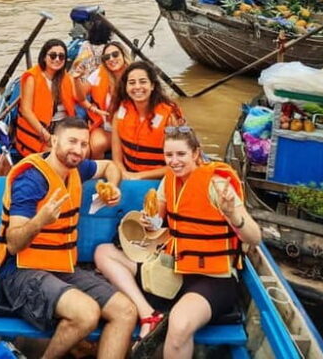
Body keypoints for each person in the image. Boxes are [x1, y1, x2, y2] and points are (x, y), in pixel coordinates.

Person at [94, 127, 261, 359]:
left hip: (212, 280)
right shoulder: (168, 181)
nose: (174, 161)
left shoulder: (217, 185)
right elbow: (156, 224)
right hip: (173, 269)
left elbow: (255, 237)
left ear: (196, 154)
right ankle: (149, 315)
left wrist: (234, 215)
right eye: (169, 155)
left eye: (181, 154)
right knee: (104, 253)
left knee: (180, 326)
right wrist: (149, 222)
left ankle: (166, 324)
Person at [0, 116, 137, 359]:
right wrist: (40, 220)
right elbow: (14, 242)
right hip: (20, 272)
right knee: (87, 313)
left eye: (84, 144)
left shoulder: (76, 168)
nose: (79, 150)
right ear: (53, 140)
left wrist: (113, 185)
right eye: (72, 141)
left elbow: (108, 166)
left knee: (125, 311)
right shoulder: (31, 181)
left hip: (60, 266)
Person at [111, 62, 183, 180]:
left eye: (143, 81)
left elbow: (179, 164)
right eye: (132, 83)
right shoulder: (119, 113)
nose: (137, 87)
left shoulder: (170, 117)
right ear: (126, 87)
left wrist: (137, 176)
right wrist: (124, 174)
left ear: (152, 85)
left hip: (160, 179)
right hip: (128, 175)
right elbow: (117, 159)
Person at [15, 39, 78, 158]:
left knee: (83, 148)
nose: (57, 59)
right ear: (44, 57)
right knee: (60, 154)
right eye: (53, 56)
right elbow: (26, 111)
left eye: (61, 56)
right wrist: (45, 135)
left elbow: (80, 98)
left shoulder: (67, 78)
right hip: (40, 129)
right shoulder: (32, 78)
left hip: (63, 126)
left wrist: (79, 79)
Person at [71, 41, 130, 159]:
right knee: (94, 146)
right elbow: (80, 97)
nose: (111, 59)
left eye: (115, 54)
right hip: (106, 128)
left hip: (130, 129)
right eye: (107, 57)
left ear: (123, 55)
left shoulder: (134, 75)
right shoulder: (99, 73)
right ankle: (99, 173)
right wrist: (77, 79)